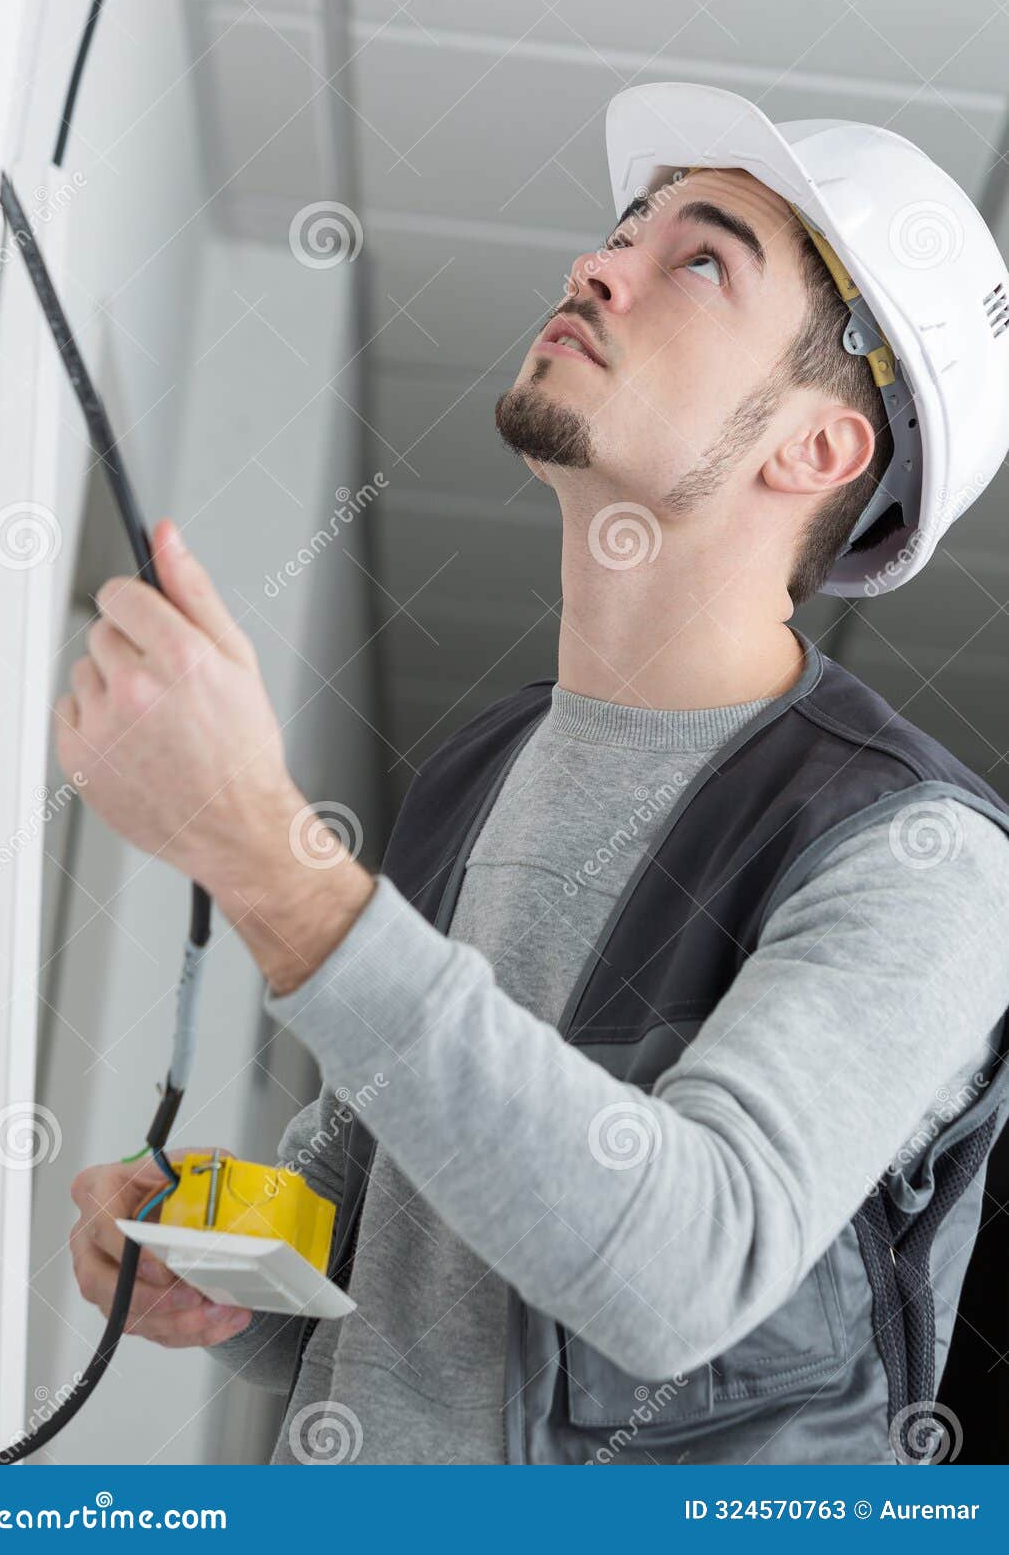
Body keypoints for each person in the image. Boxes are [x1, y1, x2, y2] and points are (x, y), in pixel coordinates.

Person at [66, 85, 1009, 1465]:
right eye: (624, 228)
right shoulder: (478, 766)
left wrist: (273, 862)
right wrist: (220, 1257)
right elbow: (396, 1242)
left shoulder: (916, 855)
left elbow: (681, 1267)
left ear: (815, 446)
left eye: (700, 258)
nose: (597, 262)